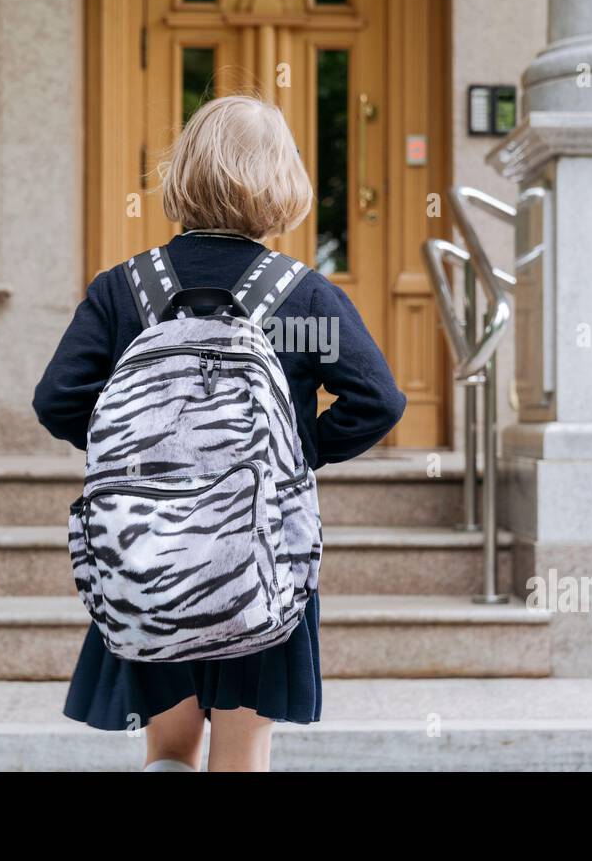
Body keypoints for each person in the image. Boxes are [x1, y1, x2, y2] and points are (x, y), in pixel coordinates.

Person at [32, 95, 406, 771]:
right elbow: (378, 400)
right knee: (242, 754)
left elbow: (57, 399)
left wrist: (136, 448)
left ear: (182, 174)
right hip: (258, 559)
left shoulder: (125, 290)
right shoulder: (303, 297)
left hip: (148, 560)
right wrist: (296, 447)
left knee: (169, 751)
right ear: (283, 183)